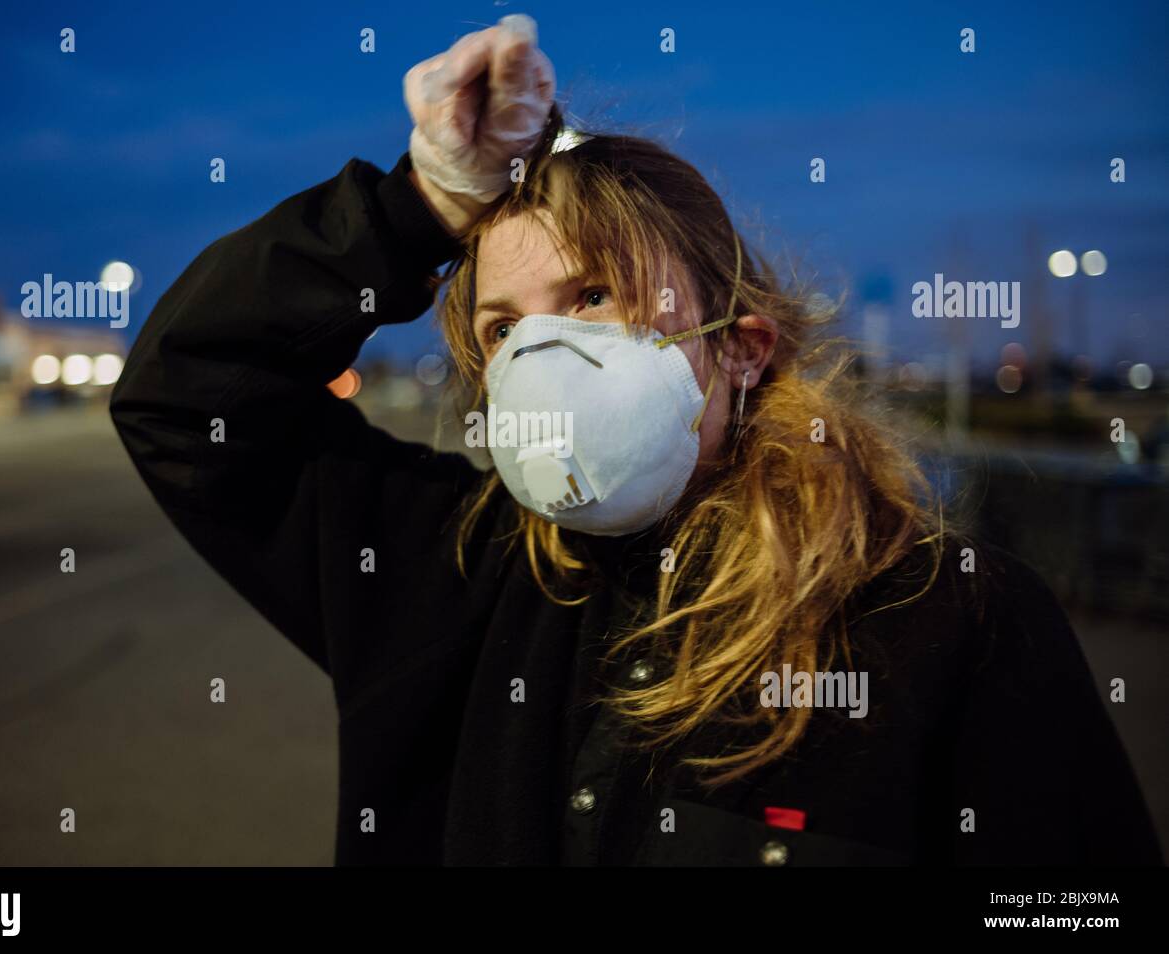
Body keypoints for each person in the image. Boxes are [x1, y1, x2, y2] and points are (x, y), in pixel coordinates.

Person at [110, 16, 1161, 866]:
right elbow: (187, 395)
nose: (544, 351)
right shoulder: (437, 568)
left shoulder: (947, 619)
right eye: (504, 326)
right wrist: (419, 207)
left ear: (741, 348)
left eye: (595, 293)